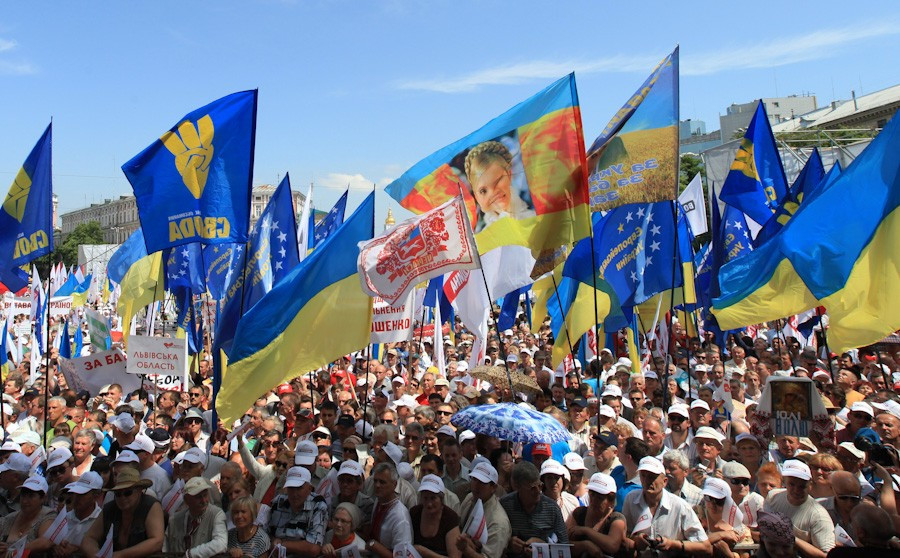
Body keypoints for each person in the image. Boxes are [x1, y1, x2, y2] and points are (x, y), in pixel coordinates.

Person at [622, 457, 711, 557]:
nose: (647, 481)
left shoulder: (680, 506)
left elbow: (706, 547)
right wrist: (636, 540)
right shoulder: (631, 499)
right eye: (643, 476)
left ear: (664, 481)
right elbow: (624, 535)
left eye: (652, 477)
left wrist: (674, 544)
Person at [81, 468, 165, 558]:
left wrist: (120, 555)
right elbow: (89, 538)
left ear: (139, 491)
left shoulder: (151, 506)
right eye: (118, 494)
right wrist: (96, 555)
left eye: (128, 493)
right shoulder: (109, 508)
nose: (122, 498)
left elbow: (157, 541)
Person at [763, 460, 835, 558]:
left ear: (810, 485)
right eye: (792, 484)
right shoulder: (773, 497)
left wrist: (792, 539)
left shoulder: (818, 515)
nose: (796, 490)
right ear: (784, 482)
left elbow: (827, 555)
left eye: (802, 486)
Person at [499, 461, 568, 557]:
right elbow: (494, 539)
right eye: (532, 488)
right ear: (517, 487)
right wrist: (509, 543)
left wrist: (544, 546)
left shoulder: (552, 508)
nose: (537, 492)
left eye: (540, 486)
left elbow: (564, 546)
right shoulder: (505, 504)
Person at [464, 140, 534, 229]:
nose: (493, 192)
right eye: (483, 191)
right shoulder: (485, 239)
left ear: (509, 174)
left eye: (497, 182)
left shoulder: (534, 219)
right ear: (476, 196)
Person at [268, 466, 328, 556]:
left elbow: (313, 548)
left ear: (309, 489)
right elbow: (264, 534)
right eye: (291, 488)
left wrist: (282, 544)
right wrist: (272, 540)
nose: (294, 493)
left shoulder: (318, 505)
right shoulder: (278, 502)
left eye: (299, 488)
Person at [457, 460, 511, 558]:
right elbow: (458, 524)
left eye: (482, 482)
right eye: (474, 479)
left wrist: (466, 549)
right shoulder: (470, 498)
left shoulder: (498, 522)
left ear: (493, 488)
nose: (476, 485)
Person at [164, 477, 228, 558]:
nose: (204, 500)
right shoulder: (174, 520)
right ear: (187, 500)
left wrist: (191, 554)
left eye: (205, 495)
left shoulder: (217, 514)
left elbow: (221, 543)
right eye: (198, 497)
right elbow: (165, 549)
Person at [566, 472, 626, 557]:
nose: (594, 500)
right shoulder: (579, 513)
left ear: (610, 502)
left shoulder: (617, 519)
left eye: (600, 498)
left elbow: (612, 545)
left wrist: (586, 531)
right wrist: (585, 545)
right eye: (592, 495)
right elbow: (566, 542)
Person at [366, 462, 413, 557]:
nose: (377, 485)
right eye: (375, 481)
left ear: (394, 484)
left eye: (382, 482)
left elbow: (403, 556)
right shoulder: (378, 501)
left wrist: (375, 546)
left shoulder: (400, 517)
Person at [0, 476, 55, 555]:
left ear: (43, 498)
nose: (25, 501)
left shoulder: (49, 515)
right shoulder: (8, 518)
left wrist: (11, 552)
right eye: (23, 495)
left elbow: (45, 542)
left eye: (31, 496)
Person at [410, 474, 461, 558]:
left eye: (433, 498)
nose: (429, 504)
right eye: (425, 498)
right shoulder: (414, 513)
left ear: (441, 499)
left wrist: (423, 552)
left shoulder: (450, 517)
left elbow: (455, 556)